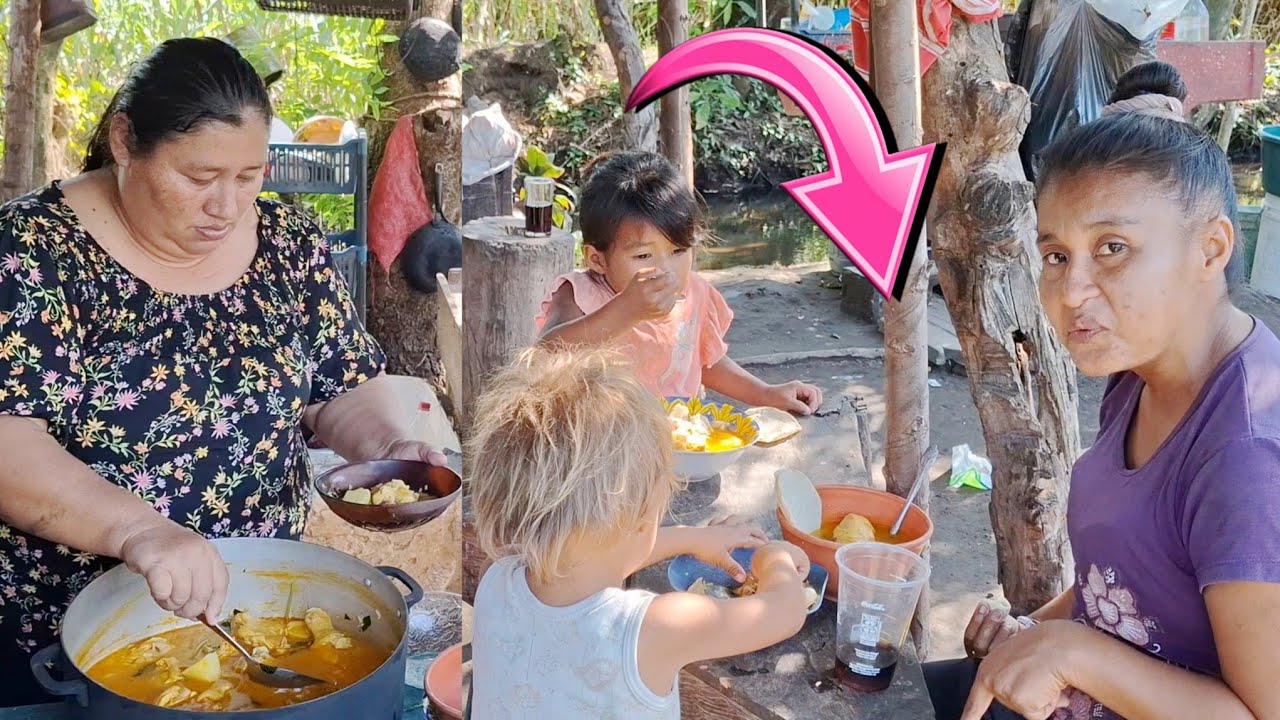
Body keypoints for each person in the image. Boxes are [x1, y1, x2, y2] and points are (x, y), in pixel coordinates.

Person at [0, 38, 446, 707]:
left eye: (249, 176)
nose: (227, 206)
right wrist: (141, 531)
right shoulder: (32, 251)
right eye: (199, 178)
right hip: (74, 641)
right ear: (125, 140)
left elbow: (338, 386)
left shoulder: (287, 243)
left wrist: (389, 450)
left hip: (261, 611)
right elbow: (11, 441)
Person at [924, 61, 1280, 720]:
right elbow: (1119, 592)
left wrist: (1076, 656)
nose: (1071, 292)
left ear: (1211, 248)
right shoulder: (1141, 370)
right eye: (1056, 255)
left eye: (1112, 247)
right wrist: (1036, 636)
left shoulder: (1247, 459)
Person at [468, 345, 812, 717]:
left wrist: (691, 538)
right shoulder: (656, 627)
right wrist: (774, 557)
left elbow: (585, 554)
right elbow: (784, 613)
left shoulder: (497, 578)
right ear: (642, 518)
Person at [535, 150, 823, 415]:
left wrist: (766, 393)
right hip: (607, 456)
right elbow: (544, 355)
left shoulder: (695, 293)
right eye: (643, 255)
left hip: (685, 448)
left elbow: (704, 361)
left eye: (678, 251)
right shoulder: (581, 294)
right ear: (597, 259)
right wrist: (626, 311)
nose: (665, 270)